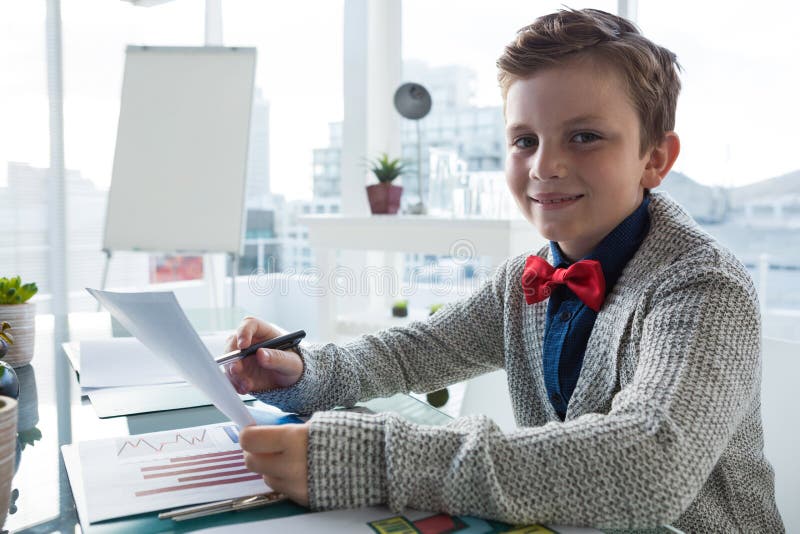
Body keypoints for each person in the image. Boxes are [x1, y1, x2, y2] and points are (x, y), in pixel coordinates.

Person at [225, 8, 784, 532]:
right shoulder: (526, 278)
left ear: (655, 159)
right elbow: (410, 351)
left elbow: (652, 462)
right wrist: (303, 371)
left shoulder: (704, 285)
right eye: (524, 140)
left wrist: (372, 458)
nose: (545, 165)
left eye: (584, 136)